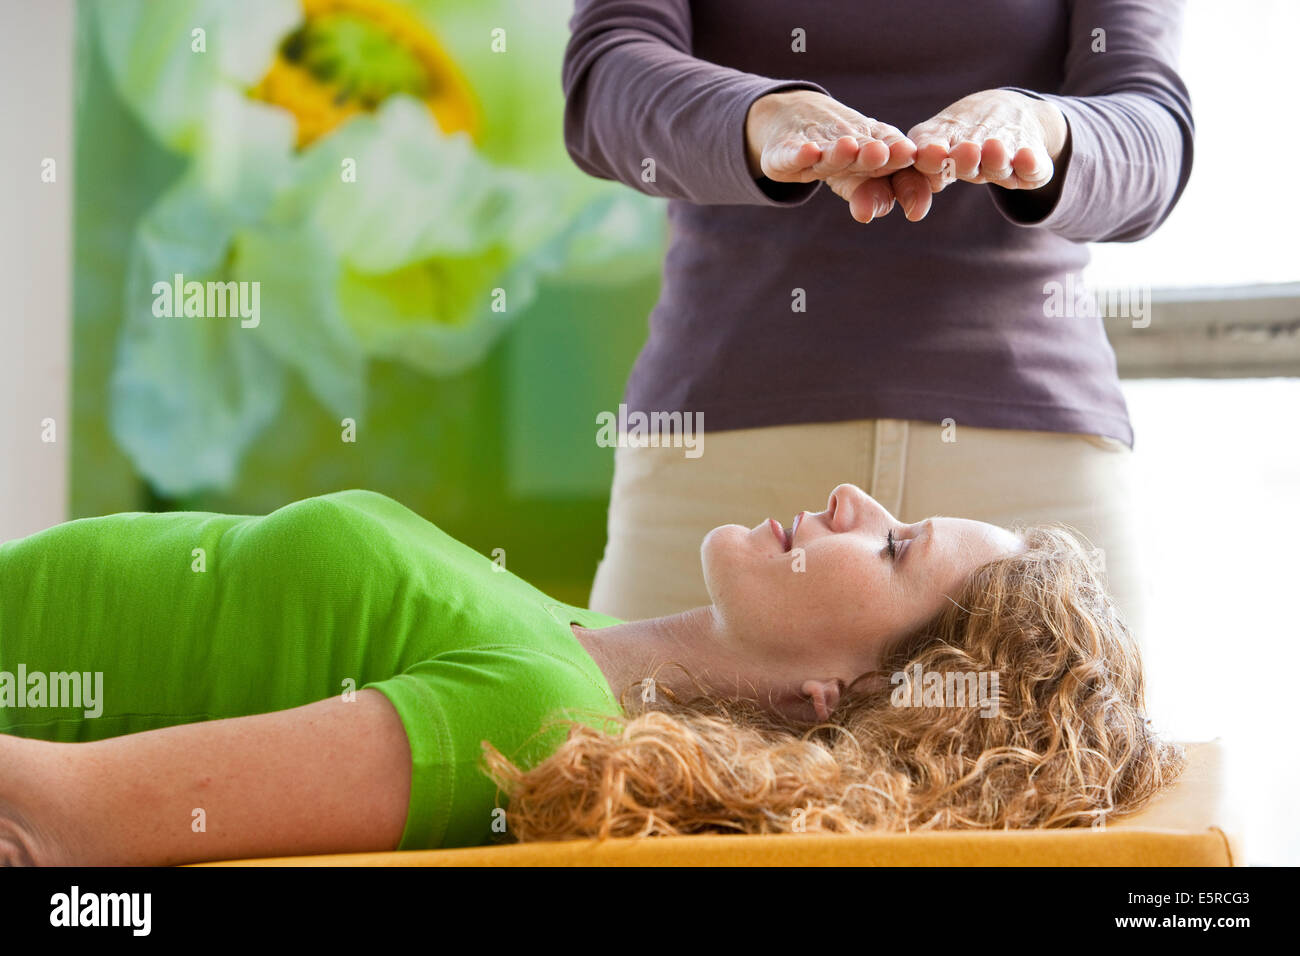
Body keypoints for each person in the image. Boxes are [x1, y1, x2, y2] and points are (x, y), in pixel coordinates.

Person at [0, 486, 1182, 864]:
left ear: (838, 692)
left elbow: (49, 824)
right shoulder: (588, 639)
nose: (848, 500)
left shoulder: (534, 714)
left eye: (888, 547)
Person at [563, 0, 1195, 639]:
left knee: (1080, 740)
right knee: (628, 737)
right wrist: (766, 117)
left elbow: (1153, 136)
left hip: (1027, 459)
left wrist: (1039, 126)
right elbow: (606, 78)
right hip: (725, 434)